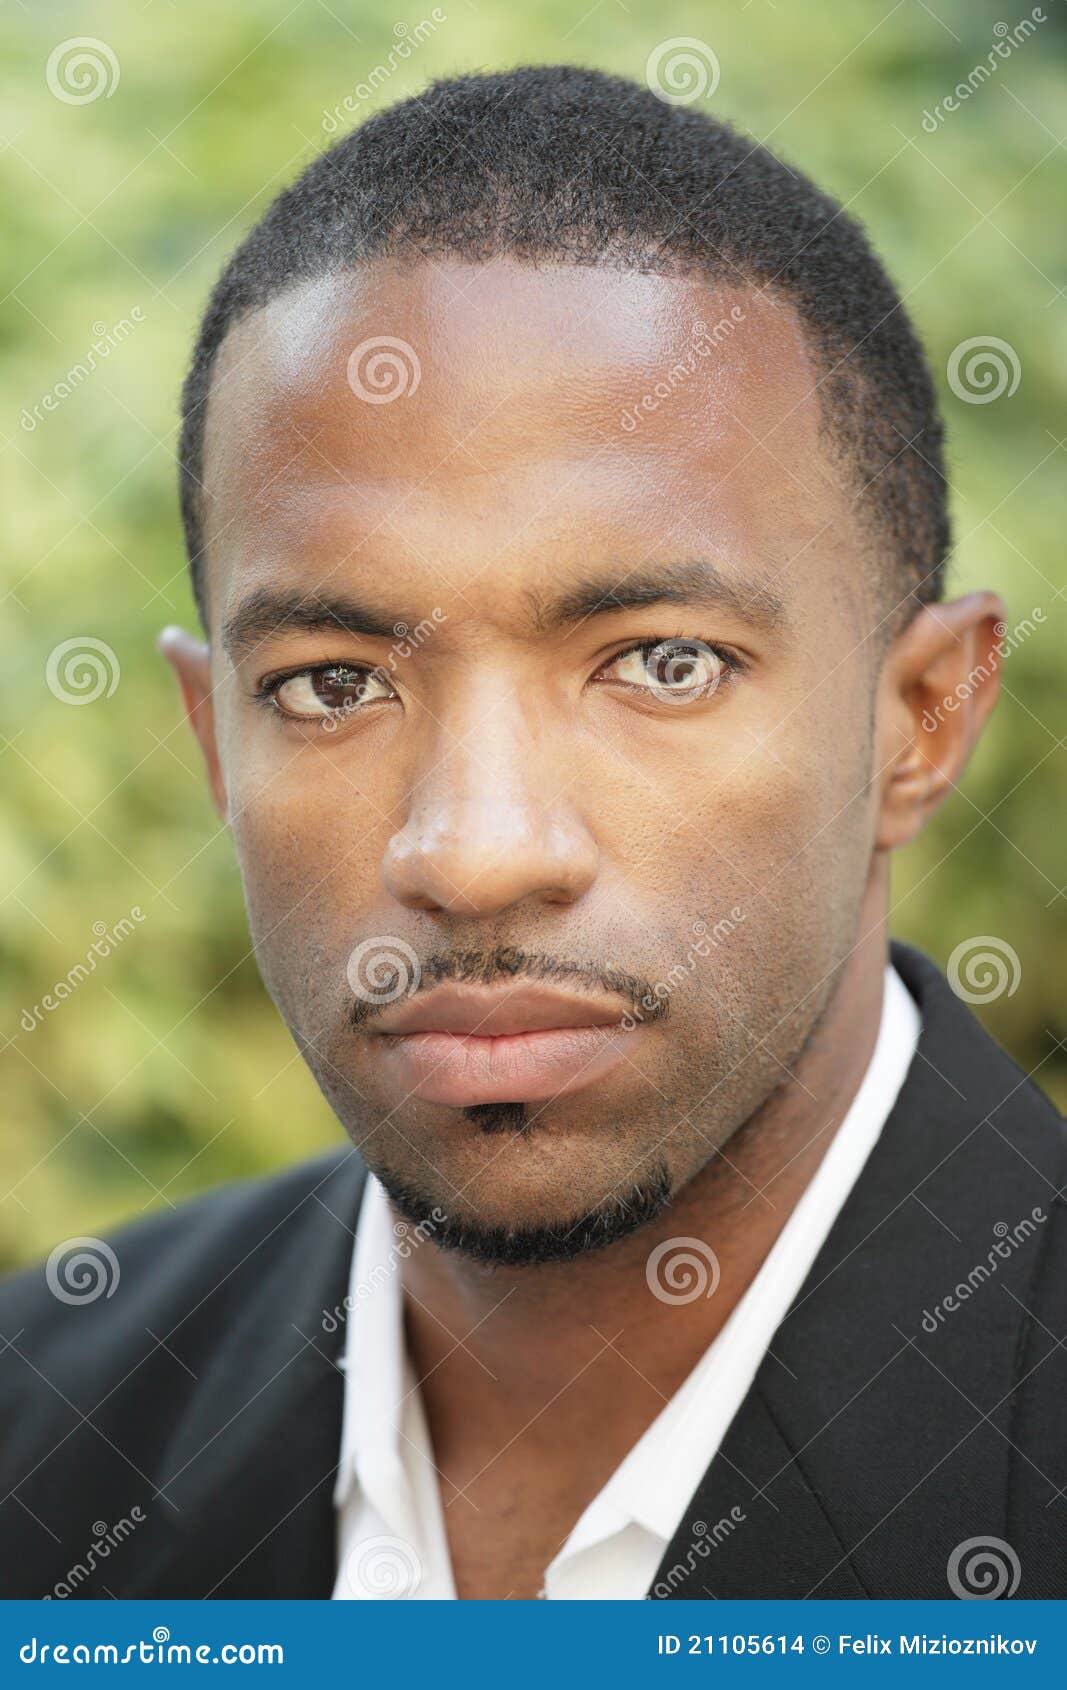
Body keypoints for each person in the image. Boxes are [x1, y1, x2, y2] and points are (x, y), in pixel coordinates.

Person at [1, 66, 1063, 1603]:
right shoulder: (42, 1448)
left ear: (921, 718)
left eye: (662, 661)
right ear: (212, 742)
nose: (477, 850)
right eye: (332, 682)